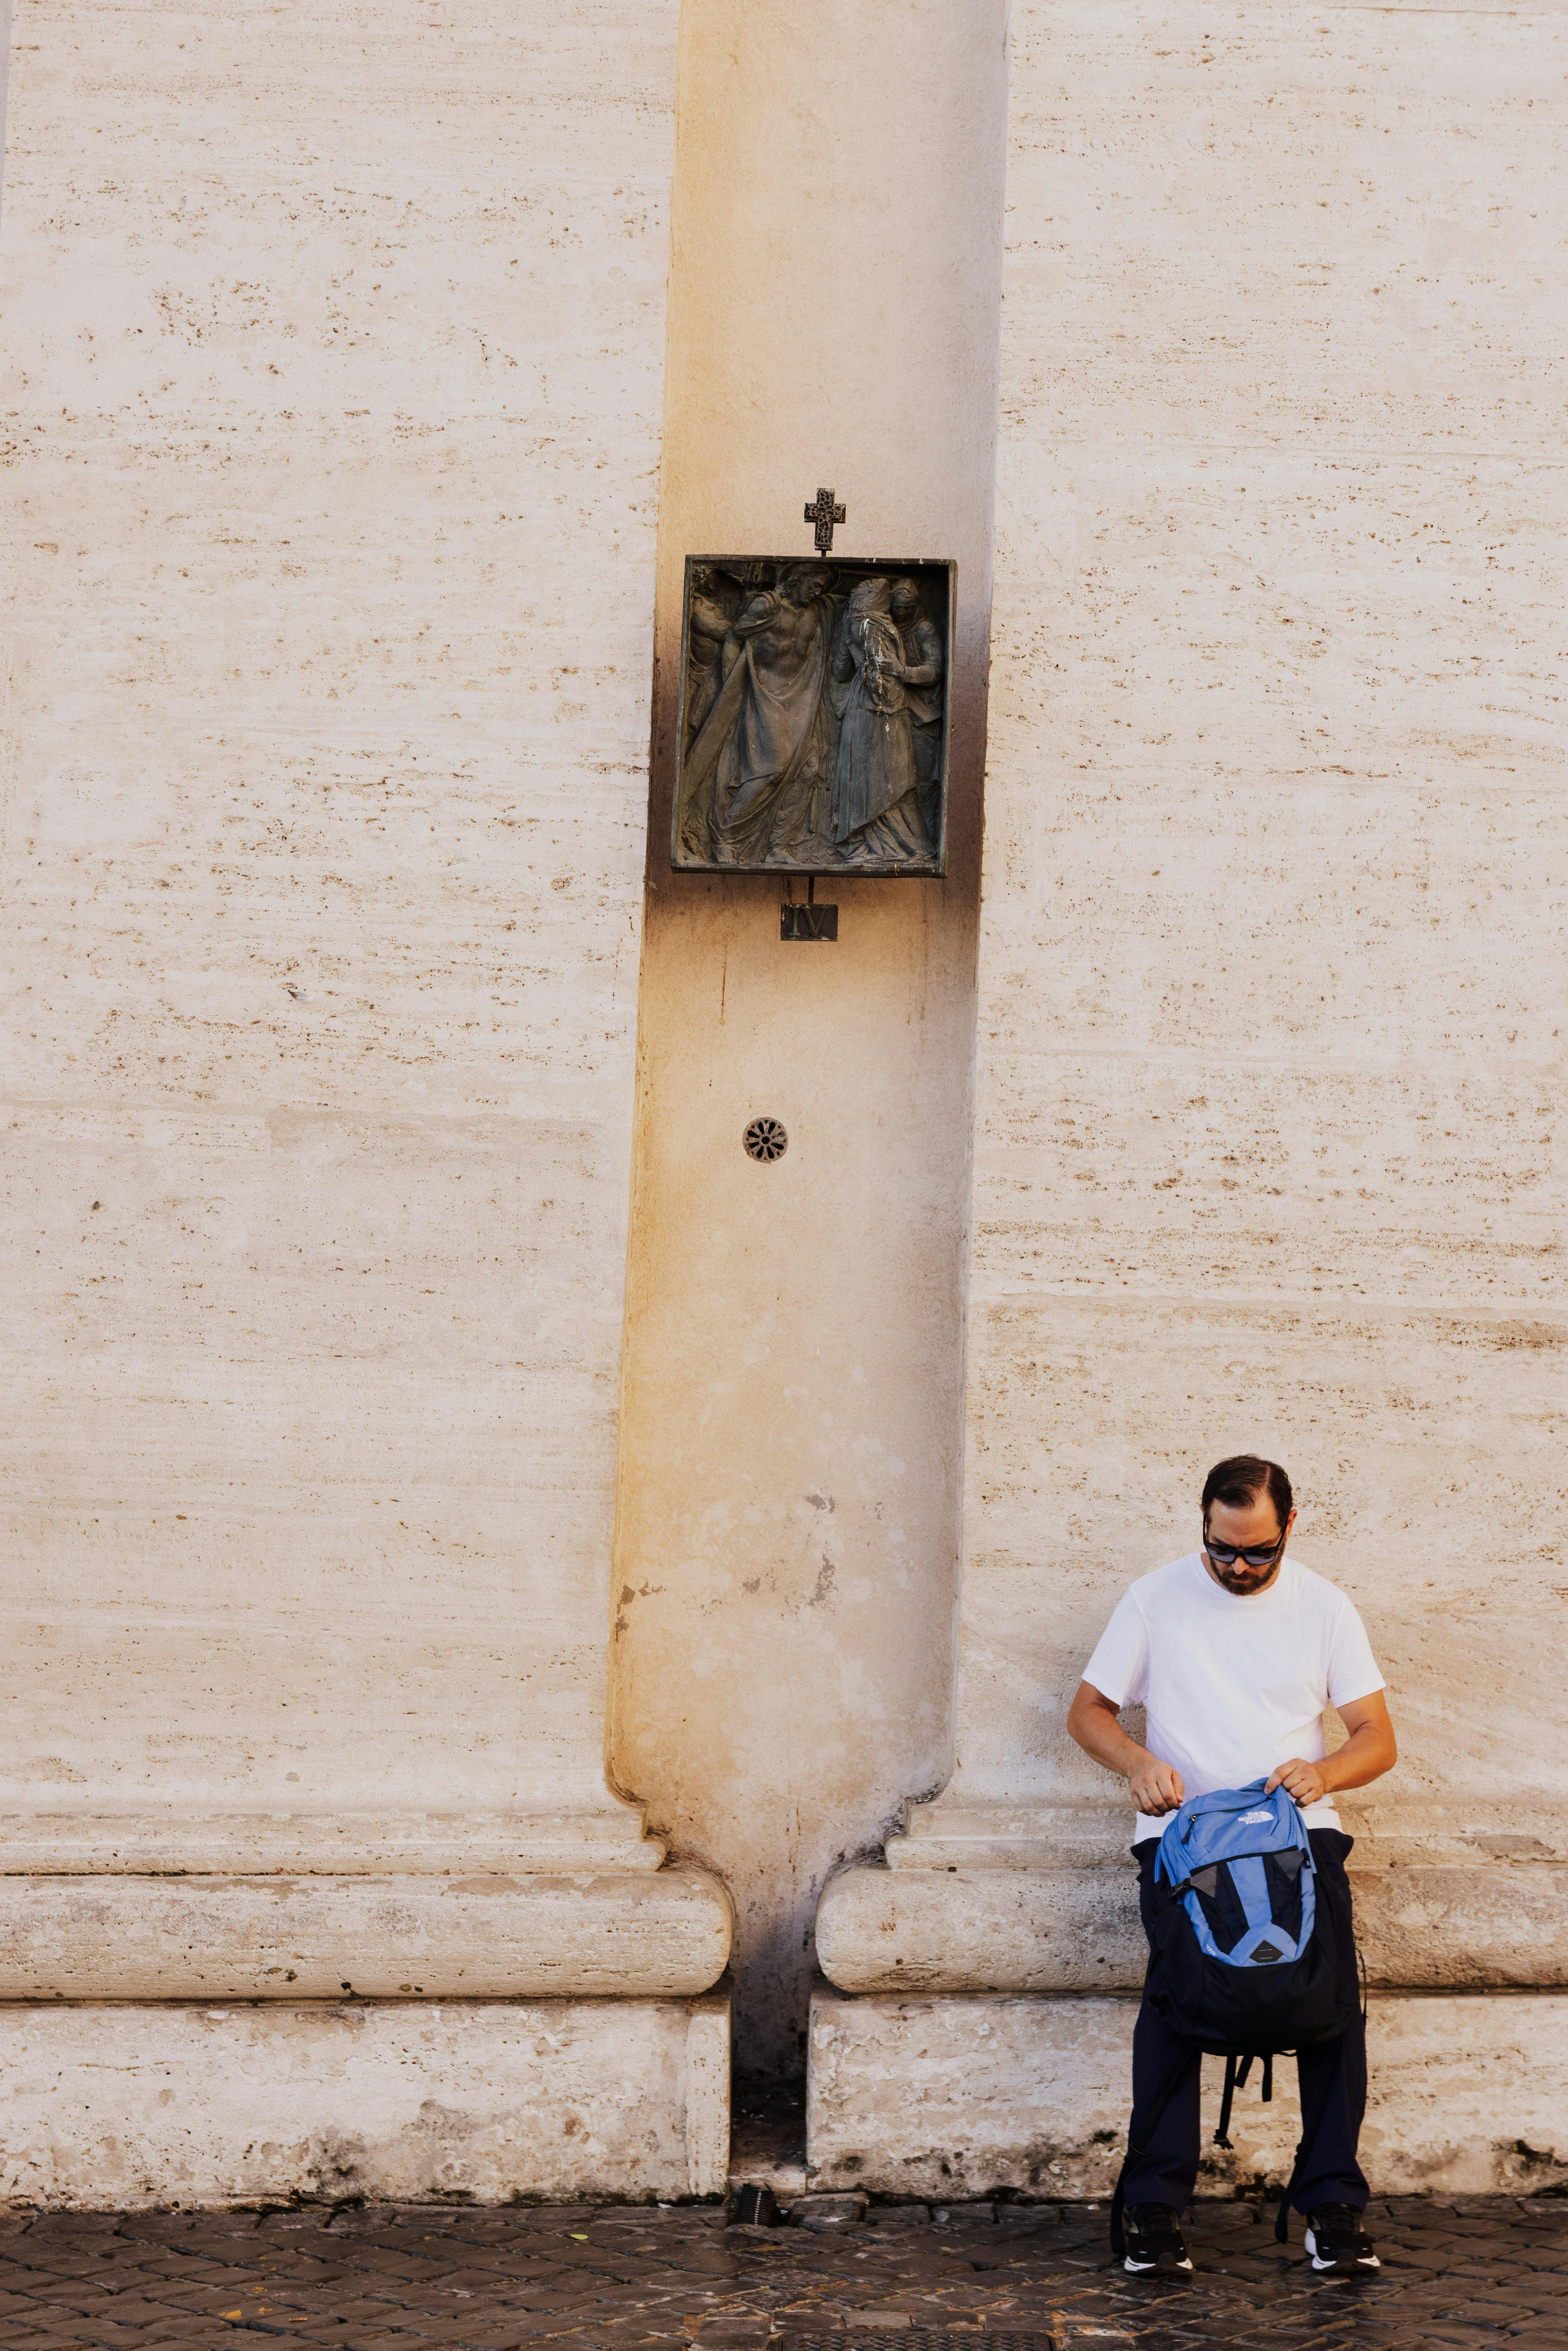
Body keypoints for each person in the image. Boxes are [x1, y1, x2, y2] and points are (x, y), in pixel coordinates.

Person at [1067, 1455, 1397, 2280]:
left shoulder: (1324, 1606)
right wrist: (1137, 1763)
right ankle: (1152, 2210)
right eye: (1222, 1550)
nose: (1237, 1567)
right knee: (1178, 2003)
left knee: (1330, 2007)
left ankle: (1333, 2208)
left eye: (1257, 1552)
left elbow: (1376, 1737)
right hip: (1183, 1838)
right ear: (1204, 1526)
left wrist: (1325, 1773)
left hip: (1297, 1832)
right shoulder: (1155, 1596)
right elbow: (1087, 1712)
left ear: (1289, 1527)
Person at [678, 563, 837, 865]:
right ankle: (725, 839)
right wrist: (730, 689)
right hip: (763, 694)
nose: (817, 591)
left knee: (808, 769)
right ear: (797, 578)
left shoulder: (820, 611)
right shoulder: (767, 605)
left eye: (822, 587)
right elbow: (735, 639)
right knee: (769, 771)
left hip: (801, 697)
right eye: (814, 583)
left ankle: (780, 845)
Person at [828, 576, 933, 864]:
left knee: (883, 777)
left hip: (871, 710)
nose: (897, 609)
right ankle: (884, 844)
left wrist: (849, 643)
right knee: (881, 777)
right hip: (876, 712)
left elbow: (844, 671)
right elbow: (877, 680)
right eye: (892, 601)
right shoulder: (871, 625)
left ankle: (880, 843)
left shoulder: (863, 624)